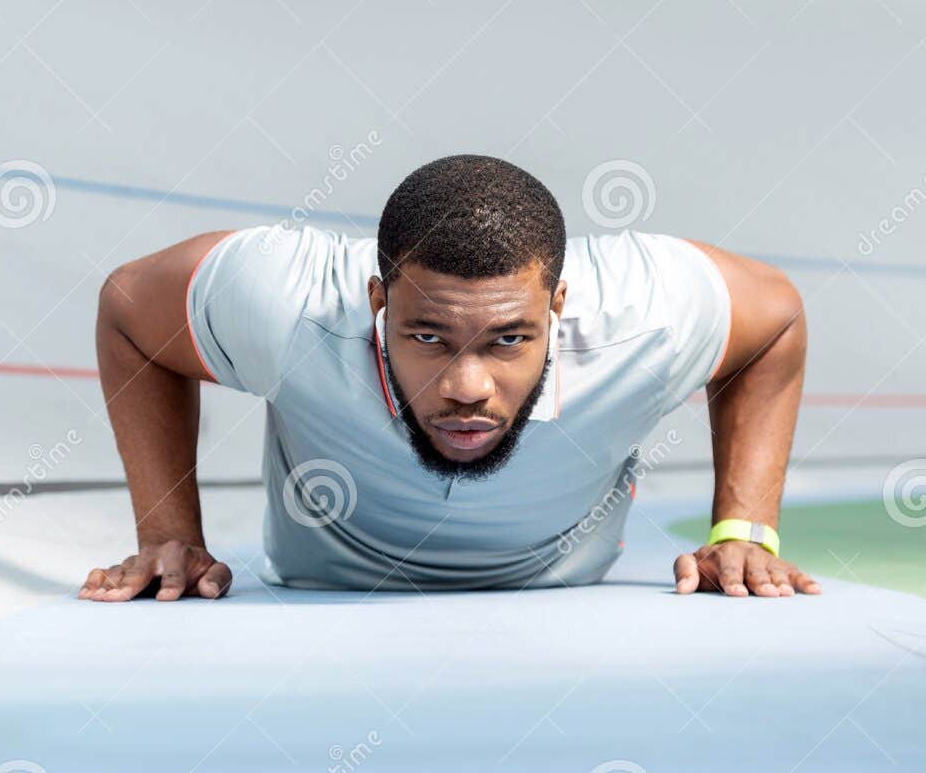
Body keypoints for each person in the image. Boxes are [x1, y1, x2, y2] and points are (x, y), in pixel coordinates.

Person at [79, 155, 818, 601]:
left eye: (508, 339)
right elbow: (128, 312)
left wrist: (742, 530)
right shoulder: (287, 303)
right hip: (329, 588)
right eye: (428, 336)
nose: (468, 385)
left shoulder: (643, 317)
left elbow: (775, 321)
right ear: (378, 303)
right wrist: (168, 534)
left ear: (558, 309)